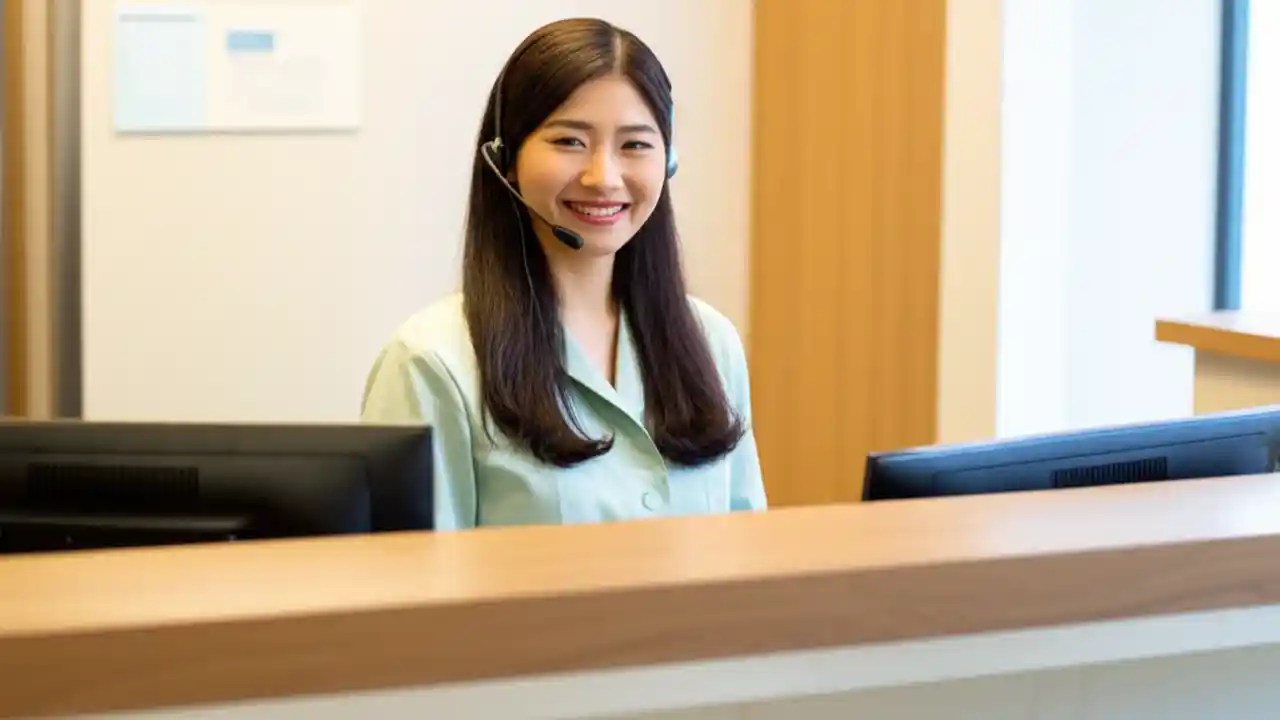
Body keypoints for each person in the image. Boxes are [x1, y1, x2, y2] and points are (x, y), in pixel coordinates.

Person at [361, 17, 766, 529]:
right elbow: (410, 590)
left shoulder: (711, 342)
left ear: (669, 162)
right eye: (570, 141)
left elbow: (748, 555)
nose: (604, 177)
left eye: (635, 145)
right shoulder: (430, 361)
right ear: (505, 158)